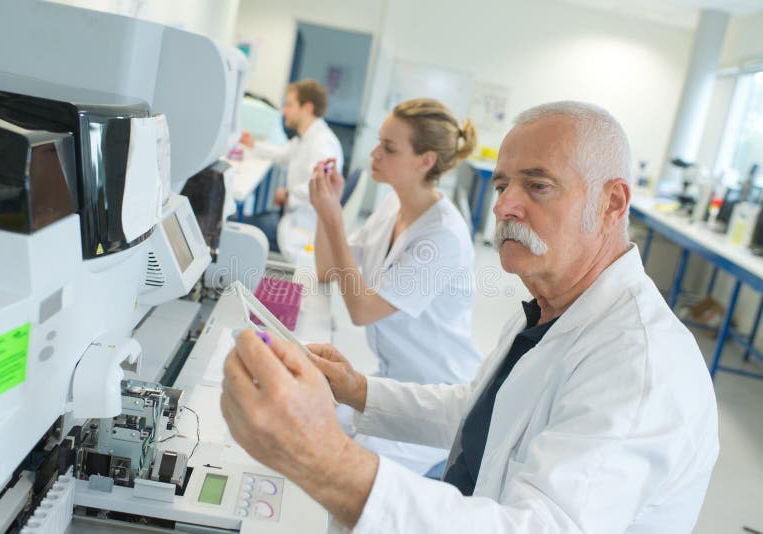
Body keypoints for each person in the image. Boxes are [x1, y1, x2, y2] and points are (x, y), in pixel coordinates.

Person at [220, 101, 719, 533]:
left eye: (538, 186)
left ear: (612, 204)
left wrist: (326, 461)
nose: (504, 205)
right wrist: (355, 388)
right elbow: (479, 411)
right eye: (502, 185)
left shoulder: (636, 364)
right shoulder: (552, 307)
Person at [308, 98, 483, 475]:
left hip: (433, 397)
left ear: (426, 161)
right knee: (306, 419)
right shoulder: (393, 206)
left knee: (348, 475)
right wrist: (328, 210)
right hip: (391, 380)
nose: (374, 153)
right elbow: (326, 268)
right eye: (378, 142)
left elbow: (362, 311)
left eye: (389, 148)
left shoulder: (441, 236)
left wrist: (335, 220)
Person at [239, 79, 343, 263]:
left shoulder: (323, 144)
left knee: (239, 228)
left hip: (300, 228)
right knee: (243, 222)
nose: (284, 111)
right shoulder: (305, 138)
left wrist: (288, 196)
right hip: (289, 216)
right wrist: (253, 144)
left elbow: (323, 188)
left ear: (307, 108)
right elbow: (283, 154)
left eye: (289, 105)